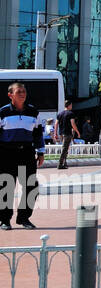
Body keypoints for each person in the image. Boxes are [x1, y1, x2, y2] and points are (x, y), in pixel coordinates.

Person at [0, 83, 44, 230]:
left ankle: (24, 218)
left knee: (32, 186)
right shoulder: (3, 112)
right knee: (6, 186)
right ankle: (4, 220)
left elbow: (38, 133)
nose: (22, 94)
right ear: (10, 95)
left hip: (27, 152)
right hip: (6, 153)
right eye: (19, 92)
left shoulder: (33, 112)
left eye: (24, 91)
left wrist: (41, 152)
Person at [55, 100, 81, 170]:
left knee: (65, 148)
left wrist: (55, 134)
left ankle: (64, 163)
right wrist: (77, 132)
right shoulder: (70, 114)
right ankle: (60, 164)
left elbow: (56, 124)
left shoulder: (60, 114)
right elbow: (73, 124)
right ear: (69, 105)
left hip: (61, 133)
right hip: (67, 133)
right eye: (71, 105)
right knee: (65, 149)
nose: (72, 106)